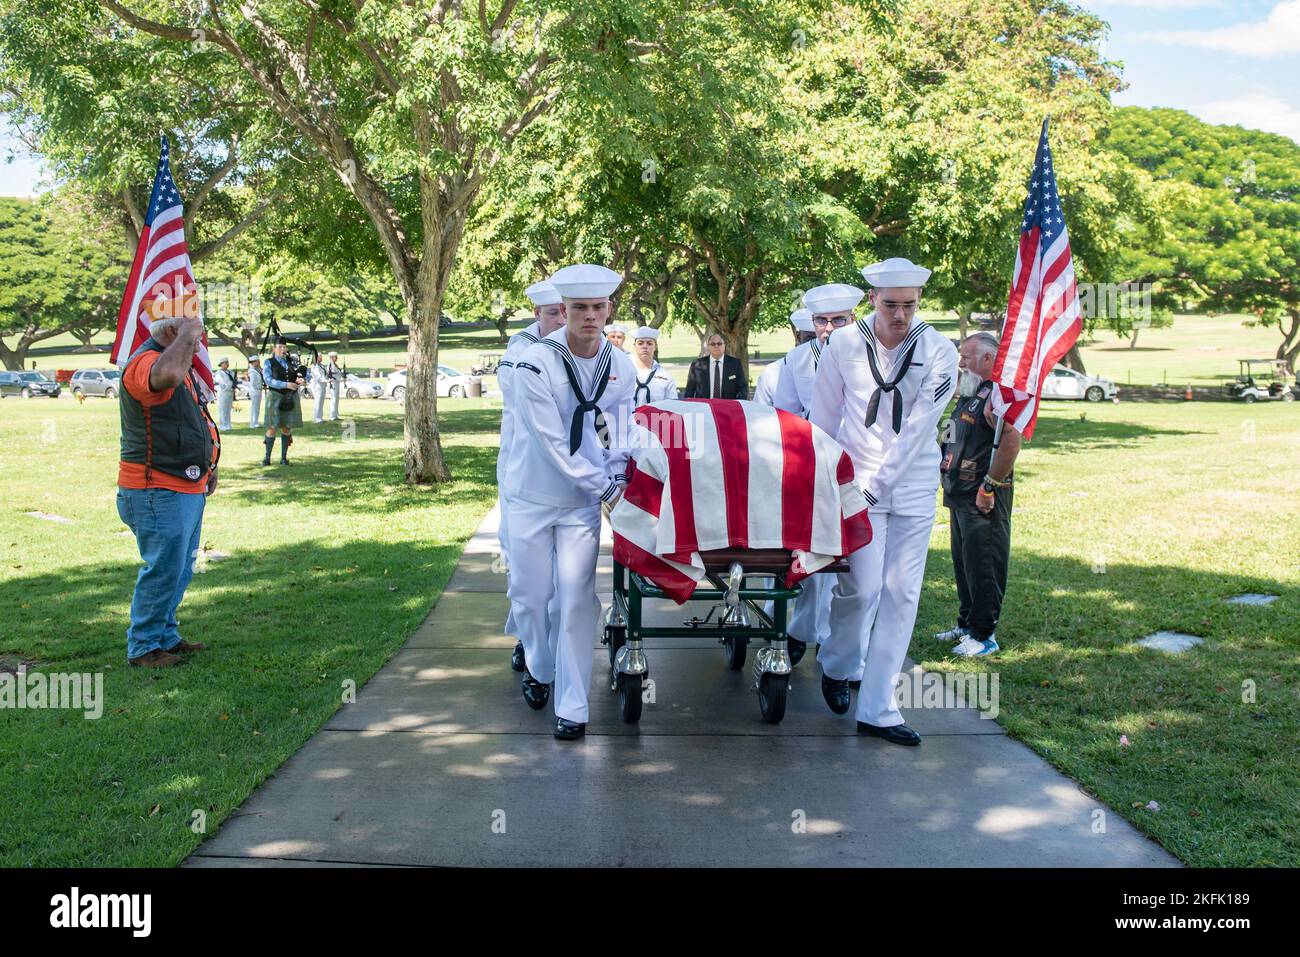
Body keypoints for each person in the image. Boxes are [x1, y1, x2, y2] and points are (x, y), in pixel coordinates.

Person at [810, 257, 958, 746]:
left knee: (902, 593)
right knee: (863, 587)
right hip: (855, 483)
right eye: (891, 304)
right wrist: (818, 479)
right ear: (872, 299)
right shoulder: (843, 345)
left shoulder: (940, 351)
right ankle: (838, 662)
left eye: (909, 306)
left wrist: (880, 484)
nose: (900, 315)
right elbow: (825, 418)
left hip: (911, 483)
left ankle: (879, 707)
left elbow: (919, 429)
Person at [506, 263, 636, 741]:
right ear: (563, 311)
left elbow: (622, 428)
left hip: (580, 504)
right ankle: (539, 666)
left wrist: (620, 473)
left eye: (597, 308)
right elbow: (550, 444)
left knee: (578, 599)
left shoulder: (619, 364)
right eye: (578, 308)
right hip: (532, 495)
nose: (588, 316)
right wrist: (605, 488)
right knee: (531, 594)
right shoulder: (532, 362)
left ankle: (574, 707)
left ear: (608, 310)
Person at [116, 315, 219, 667]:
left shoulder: (175, 363)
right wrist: (187, 334)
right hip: (154, 489)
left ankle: (165, 636)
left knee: (180, 568)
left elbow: (193, 419)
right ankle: (143, 647)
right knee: (163, 569)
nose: (195, 347)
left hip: (182, 485)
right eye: (191, 342)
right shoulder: (144, 365)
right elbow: (170, 375)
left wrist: (209, 466)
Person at [776, 286, 861, 667]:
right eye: (822, 321)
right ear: (812, 323)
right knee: (811, 557)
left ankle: (845, 654)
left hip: (859, 467)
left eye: (839, 319)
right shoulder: (795, 361)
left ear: (853, 319)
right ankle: (802, 630)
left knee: (857, 568)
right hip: (809, 468)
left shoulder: (870, 356)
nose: (829, 328)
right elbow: (782, 417)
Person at [496, 279, 566, 673]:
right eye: (552, 312)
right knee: (524, 569)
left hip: (564, 480)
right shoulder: (519, 351)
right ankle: (527, 638)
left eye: (564, 311)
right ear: (537, 314)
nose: (560, 319)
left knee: (560, 575)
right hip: (521, 471)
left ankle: (543, 643)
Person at [938, 332, 1021, 657]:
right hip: (959, 491)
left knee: (984, 562)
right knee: (964, 562)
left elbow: (1011, 442)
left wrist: (990, 485)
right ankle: (966, 623)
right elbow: (954, 430)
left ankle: (984, 634)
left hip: (981, 493)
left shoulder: (999, 396)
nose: (961, 363)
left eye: (967, 357)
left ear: (988, 359)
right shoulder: (973, 391)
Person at [753, 308, 814, 406]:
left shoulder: (839, 371)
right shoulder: (772, 373)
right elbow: (760, 414)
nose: (816, 346)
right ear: (798, 337)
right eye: (810, 339)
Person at [262, 338, 304, 465]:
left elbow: (301, 375)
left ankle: (283, 458)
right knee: (272, 427)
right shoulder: (269, 362)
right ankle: (267, 458)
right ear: (274, 348)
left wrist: (302, 379)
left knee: (287, 427)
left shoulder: (291, 361)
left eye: (284, 347)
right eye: (279, 347)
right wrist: (286, 385)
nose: (282, 349)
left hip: (290, 397)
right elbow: (268, 380)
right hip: (275, 396)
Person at [684, 333, 746, 398]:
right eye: (713, 344)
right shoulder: (697, 365)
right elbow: (689, 392)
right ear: (708, 346)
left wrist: (736, 405)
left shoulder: (735, 364)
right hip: (705, 406)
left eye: (719, 344)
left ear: (724, 345)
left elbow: (742, 388)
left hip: (728, 406)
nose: (716, 346)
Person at [629, 326, 679, 404]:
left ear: (655, 347)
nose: (645, 346)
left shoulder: (665, 376)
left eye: (649, 343)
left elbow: (673, 405)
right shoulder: (625, 372)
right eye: (640, 343)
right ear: (634, 345)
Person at [214, 357, 236, 431]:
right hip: (223, 393)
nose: (227, 364)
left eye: (227, 362)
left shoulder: (230, 372)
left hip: (230, 393)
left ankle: (228, 424)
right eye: (225, 363)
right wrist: (229, 388)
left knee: (228, 409)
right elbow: (221, 384)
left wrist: (233, 387)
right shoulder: (219, 373)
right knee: (223, 409)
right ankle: (223, 425)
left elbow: (233, 381)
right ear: (221, 364)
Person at [246, 354, 264, 429]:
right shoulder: (252, 371)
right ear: (254, 362)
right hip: (255, 390)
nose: (259, 362)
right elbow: (253, 383)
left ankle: (255, 422)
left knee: (257, 407)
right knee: (255, 407)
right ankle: (253, 423)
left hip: (258, 390)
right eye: (257, 361)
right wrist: (259, 386)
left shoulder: (258, 370)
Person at [310, 352, 329, 423]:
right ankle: (317, 418)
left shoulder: (321, 365)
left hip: (322, 385)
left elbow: (325, 374)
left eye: (321, 357)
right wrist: (326, 380)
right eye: (320, 357)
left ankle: (320, 417)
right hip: (318, 386)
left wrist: (327, 379)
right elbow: (318, 376)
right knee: (318, 402)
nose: (321, 358)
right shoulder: (315, 366)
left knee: (321, 402)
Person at [326, 351, 344, 421]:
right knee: (334, 399)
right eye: (335, 357)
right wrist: (339, 379)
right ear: (331, 357)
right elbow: (331, 375)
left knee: (336, 399)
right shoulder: (330, 365)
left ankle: (336, 414)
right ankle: (332, 415)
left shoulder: (335, 364)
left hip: (337, 383)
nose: (336, 358)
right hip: (333, 383)